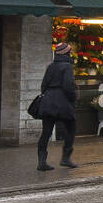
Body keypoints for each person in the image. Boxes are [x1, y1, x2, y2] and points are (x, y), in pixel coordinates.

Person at [36, 42, 78, 170]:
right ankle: (66, 158)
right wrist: (73, 98)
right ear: (67, 53)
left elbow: (43, 85)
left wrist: (48, 95)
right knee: (71, 128)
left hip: (48, 101)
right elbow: (68, 86)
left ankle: (41, 162)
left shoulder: (51, 66)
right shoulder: (67, 67)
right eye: (70, 51)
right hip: (62, 102)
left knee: (46, 132)